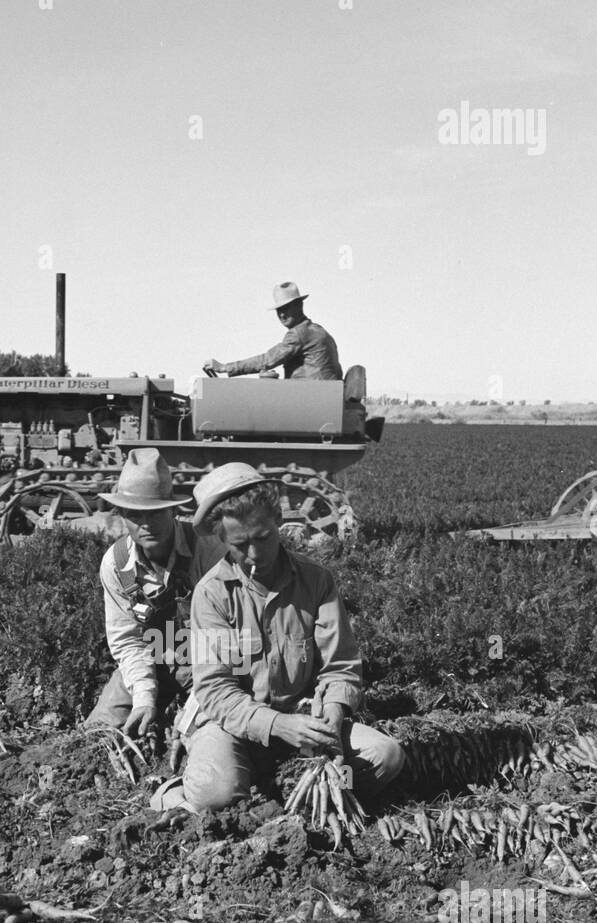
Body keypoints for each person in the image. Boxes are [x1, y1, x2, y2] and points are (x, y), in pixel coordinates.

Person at [175, 462, 404, 812]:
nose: (254, 554)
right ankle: (178, 794)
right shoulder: (212, 595)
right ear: (221, 538)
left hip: (303, 717)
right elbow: (217, 692)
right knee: (215, 796)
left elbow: (339, 666)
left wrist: (332, 712)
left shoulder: (316, 581)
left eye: (263, 538)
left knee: (385, 757)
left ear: (279, 519)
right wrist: (278, 725)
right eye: (240, 544)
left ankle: (288, 788)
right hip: (231, 723)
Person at [85, 448, 226, 739]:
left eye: (156, 513)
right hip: (152, 660)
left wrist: (196, 707)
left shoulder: (208, 551)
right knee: (100, 732)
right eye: (136, 515)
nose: (146, 524)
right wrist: (144, 699)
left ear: (173, 510)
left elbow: (229, 640)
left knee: (201, 736)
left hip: (210, 663)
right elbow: (127, 642)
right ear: (122, 515)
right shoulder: (116, 564)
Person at [204, 282, 343, 382]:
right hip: (321, 397)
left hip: (311, 400)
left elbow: (267, 360)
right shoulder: (317, 330)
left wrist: (225, 367)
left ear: (299, 305)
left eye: (286, 308)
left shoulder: (299, 334)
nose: (282, 315)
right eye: (279, 310)